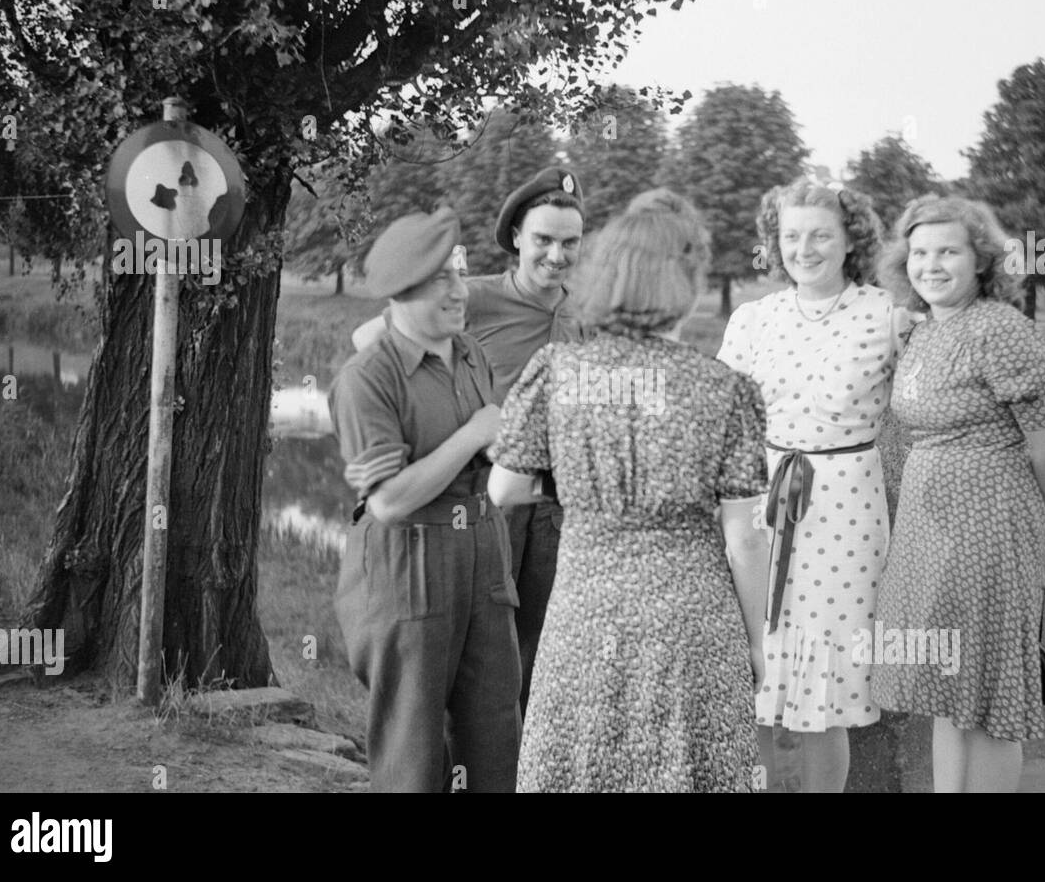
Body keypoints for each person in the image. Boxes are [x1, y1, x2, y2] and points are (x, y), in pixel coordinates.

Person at [486, 189, 770, 792]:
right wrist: (756, 644)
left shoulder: (559, 370)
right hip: (694, 622)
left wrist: (583, 484)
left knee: (584, 765)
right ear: (686, 280)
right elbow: (744, 539)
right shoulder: (725, 390)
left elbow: (504, 488)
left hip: (587, 613)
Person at [353, 167, 585, 717]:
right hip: (483, 502)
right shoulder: (472, 299)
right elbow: (370, 341)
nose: (556, 255)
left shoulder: (588, 315)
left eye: (570, 242)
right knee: (478, 654)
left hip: (558, 505)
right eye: (543, 240)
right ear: (516, 241)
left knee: (543, 647)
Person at [872, 194, 1045, 793]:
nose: (931, 265)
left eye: (948, 252)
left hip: (986, 537)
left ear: (981, 260)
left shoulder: (1000, 329)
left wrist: (1009, 519)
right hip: (926, 536)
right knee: (944, 689)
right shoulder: (925, 330)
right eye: (919, 253)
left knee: (989, 701)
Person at [717, 176, 912, 793]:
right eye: (792, 235)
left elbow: (934, 400)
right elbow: (721, 420)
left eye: (821, 235)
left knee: (823, 689)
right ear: (775, 242)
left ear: (850, 238)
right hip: (761, 507)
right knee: (762, 674)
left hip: (845, 510)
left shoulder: (886, 314)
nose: (806, 248)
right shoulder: (752, 319)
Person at [328, 207, 522, 792]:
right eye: (443, 280)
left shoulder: (471, 355)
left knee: (494, 732)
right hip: (408, 564)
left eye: (461, 275)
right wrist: (473, 435)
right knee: (412, 748)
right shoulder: (368, 378)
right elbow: (387, 501)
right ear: (402, 289)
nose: (460, 292)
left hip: (483, 555)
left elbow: (495, 452)